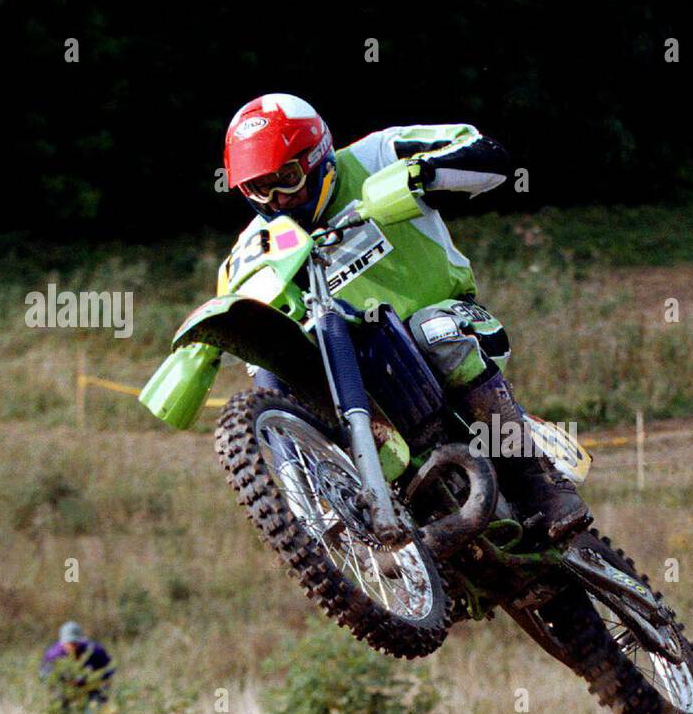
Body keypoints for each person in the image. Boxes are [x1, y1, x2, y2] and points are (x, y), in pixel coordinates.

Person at [221, 93, 591, 544]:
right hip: (363, 382)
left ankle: (540, 483)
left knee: (431, 330)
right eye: (261, 188)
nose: (278, 199)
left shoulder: (378, 155)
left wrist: (420, 176)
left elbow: (490, 156)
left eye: (288, 178)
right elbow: (261, 359)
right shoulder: (250, 253)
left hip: (457, 326)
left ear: (318, 158)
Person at [40, 621, 114, 710]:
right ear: (62, 641)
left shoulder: (94, 651)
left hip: (91, 690)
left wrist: (102, 684)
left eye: (75, 642)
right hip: (65, 691)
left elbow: (108, 669)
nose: (72, 646)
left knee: (97, 707)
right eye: (69, 643)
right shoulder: (53, 655)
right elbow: (45, 677)